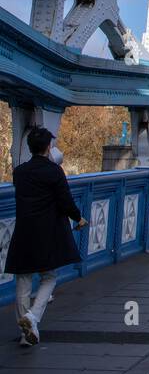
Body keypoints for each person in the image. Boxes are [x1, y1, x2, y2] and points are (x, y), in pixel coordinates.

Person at [7, 127, 88, 347]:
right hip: (47, 233)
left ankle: (26, 333)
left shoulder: (19, 172)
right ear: (48, 147)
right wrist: (79, 218)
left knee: (22, 281)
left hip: (23, 232)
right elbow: (65, 201)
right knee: (49, 277)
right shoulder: (54, 172)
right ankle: (32, 318)